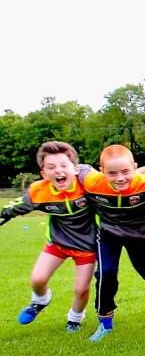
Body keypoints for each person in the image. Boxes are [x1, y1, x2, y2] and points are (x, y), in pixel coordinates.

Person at [79, 144, 145, 342]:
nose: (120, 178)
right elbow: (78, 169)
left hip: (140, 234)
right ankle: (105, 323)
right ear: (101, 171)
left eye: (125, 171)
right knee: (105, 274)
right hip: (108, 233)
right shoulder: (92, 182)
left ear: (134, 167)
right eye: (112, 173)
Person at [1, 141, 96, 333]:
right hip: (58, 243)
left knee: (81, 289)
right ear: (44, 173)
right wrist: (5, 213)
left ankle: (75, 319)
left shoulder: (88, 184)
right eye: (51, 167)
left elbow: (108, 182)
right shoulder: (40, 191)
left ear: (75, 168)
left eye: (63, 165)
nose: (58, 171)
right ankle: (40, 300)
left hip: (87, 246)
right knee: (37, 279)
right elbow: (18, 205)